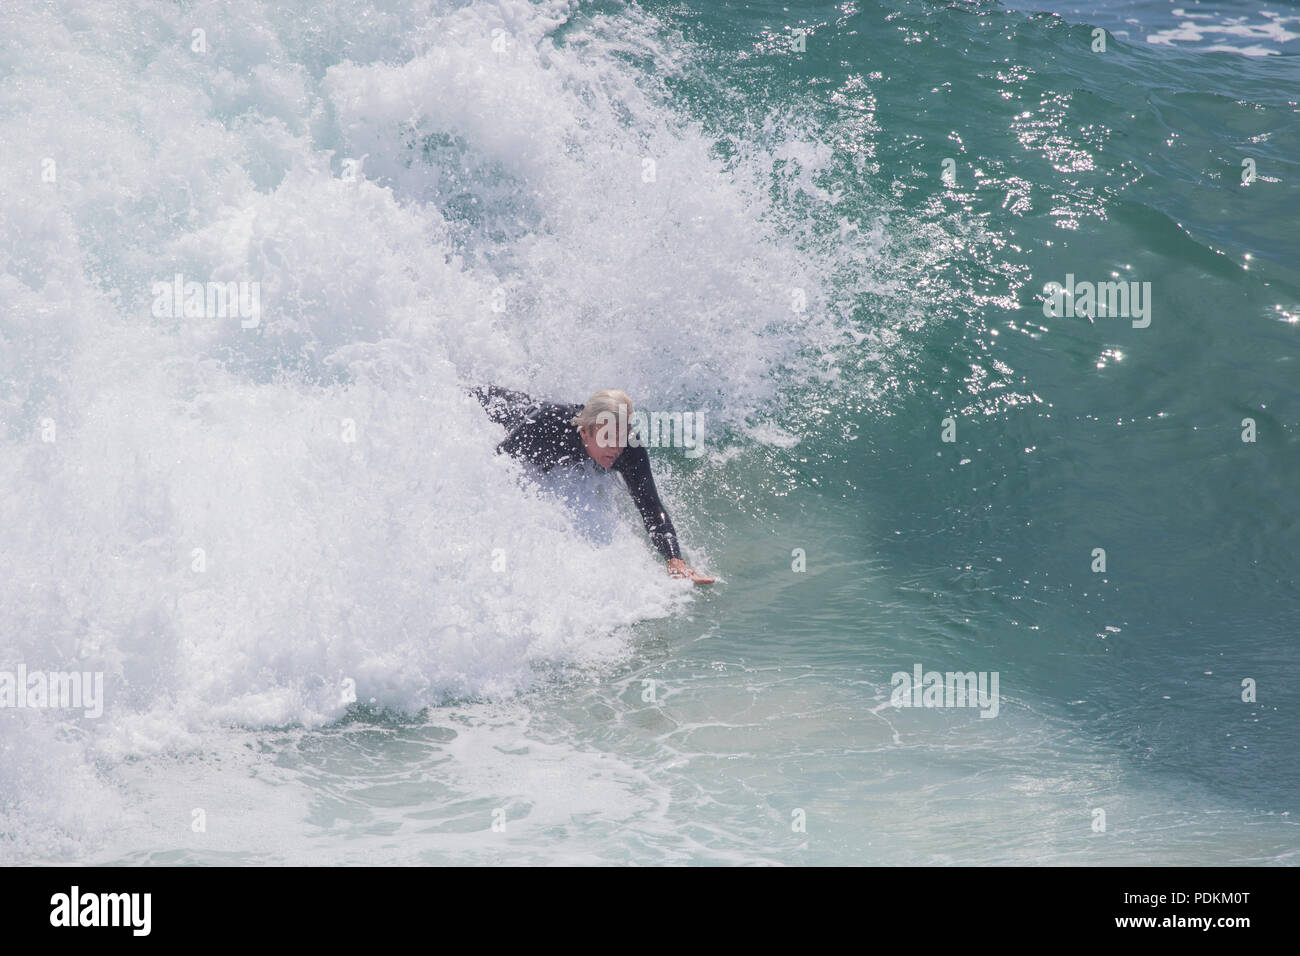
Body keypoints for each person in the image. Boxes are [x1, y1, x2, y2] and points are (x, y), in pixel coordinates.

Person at [471, 385, 714, 583]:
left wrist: (674, 559)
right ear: (585, 432)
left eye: (621, 438)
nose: (616, 449)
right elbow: (495, 469)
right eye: (607, 438)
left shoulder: (629, 448)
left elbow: (651, 506)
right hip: (493, 407)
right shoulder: (545, 427)